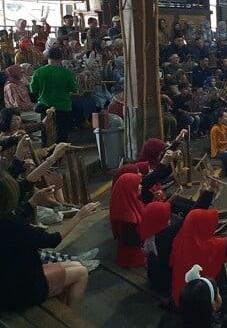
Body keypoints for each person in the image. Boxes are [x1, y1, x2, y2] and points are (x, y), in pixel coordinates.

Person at [0, 173, 100, 311]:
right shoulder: (14, 227)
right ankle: (71, 318)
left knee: (75, 264)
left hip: (11, 281)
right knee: (82, 272)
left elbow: (18, 216)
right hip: (19, 292)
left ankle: (63, 307)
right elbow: (53, 239)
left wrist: (33, 201)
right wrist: (79, 216)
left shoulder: (6, 219)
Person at [170, 193, 227, 310]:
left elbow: (193, 215)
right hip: (204, 300)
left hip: (183, 296)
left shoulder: (178, 240)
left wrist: (209, 192)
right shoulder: (211, 246)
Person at [29, 47, 78, 143]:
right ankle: (59, 156)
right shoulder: (67, 73)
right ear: (60, 58)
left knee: (46, 133)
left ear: (47, 57)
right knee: (62, 135)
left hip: (45, 108)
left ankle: (47, 155)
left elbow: (33, 90)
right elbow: (74, 89)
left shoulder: (38, 72)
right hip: (63, 107)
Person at [109, 173, 146, 268]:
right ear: (130, 188)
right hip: (133, 257)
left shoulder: (129, 202)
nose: (141, 186)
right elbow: (131, 240)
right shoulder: (127, 218)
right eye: (138, 184)